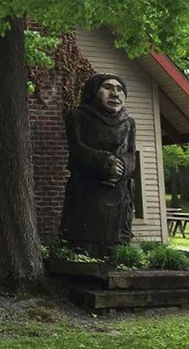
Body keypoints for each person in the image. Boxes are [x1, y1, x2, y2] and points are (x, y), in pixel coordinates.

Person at [59, 73, 137, 257]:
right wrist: (102, 161)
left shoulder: (128, 123)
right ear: (93, 92)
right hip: (87, 193)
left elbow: (131, 154)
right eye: (108, 88)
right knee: (84, 241)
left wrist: (122, 166)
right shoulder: (78, 116)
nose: (115, 94)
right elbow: (77, 149)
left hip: (118, 194)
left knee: (116, 243)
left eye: (119, 89)